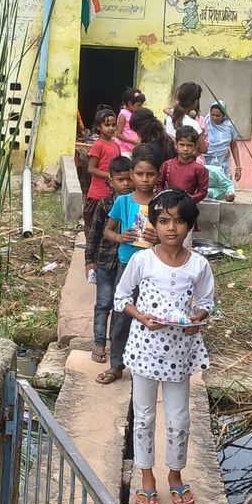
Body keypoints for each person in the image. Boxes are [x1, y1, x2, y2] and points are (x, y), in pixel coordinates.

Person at [114, 189, 214, 504]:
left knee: (179, 418)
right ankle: (147, 477)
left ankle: (175, 474)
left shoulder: (198, 265)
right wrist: (141, 317)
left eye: (180, 221)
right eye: (164, 221)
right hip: (145, 349)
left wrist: (197, 318)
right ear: (153, 224)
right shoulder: (142, 260)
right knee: (143, 416)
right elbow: (121, 298)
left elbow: (206, 302)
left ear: (191, 225)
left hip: (179, 354)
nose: (172, 228)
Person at [98, 146, 160, 386]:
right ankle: (116, 365)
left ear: (157, 176)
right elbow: (107, 230)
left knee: (151, 315)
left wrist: (159, 238)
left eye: (150, 174)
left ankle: (146, 364)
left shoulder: (161, 202)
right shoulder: (123, 201)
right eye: (140, 174)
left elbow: (172, 231)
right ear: (132, 174)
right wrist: (120, 237)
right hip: (127, 266)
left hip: (154, 268)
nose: (145, 179)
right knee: (122, 315)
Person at [85, 156, 134, 365]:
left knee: (120, 305)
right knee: (103, 303)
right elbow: (94, 233)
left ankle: (116, 346)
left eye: (128, 179)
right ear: (111, 181)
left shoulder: (136, 204)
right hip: (105, 261)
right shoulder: (105, 204)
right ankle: (99, 343)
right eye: (120, 180)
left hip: (127, 264)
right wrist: (89, 260)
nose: (125, 184)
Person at [83, 106, 121, 238]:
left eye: (113, 125)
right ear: (99, 127)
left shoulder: (116, 145)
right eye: (107, 125)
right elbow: (91, 168)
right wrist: (109, 176)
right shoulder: (98, 145)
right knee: (93, 228)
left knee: (108, 228)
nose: (111, 128)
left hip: (112, 195)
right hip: (97, 194)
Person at [157, 126, 208, 204]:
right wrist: (163, 198)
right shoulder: (167, 165)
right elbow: (159, 185)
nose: (185, 149)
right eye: (182, 144)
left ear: (195, 147)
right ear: (176, 145)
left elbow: (203, 191)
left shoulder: (199, 169)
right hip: (168, 204)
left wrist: (189, 198)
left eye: (189, 145)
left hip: (187, 206)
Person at [164, 82, 208, 155]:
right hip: (184, 159)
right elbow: (203, 149)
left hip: (167, 156)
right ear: (196, 102)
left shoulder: (169, 114)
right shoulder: (193, 124)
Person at [205, 100, 241, 186]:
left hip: (223, 163)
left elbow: (234, 146)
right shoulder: (205, 124)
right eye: (212, 115)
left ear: (224, 115)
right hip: (206, 162)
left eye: (218, 115)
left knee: (225, 187)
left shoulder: (229, 126)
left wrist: (238, 167)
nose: (214, 118)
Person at [115, 88, 146, 155]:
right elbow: (118, 134)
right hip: (124, 149)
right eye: (139, 105)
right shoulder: (123, 115)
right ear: (129, 104)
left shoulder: (135, 114)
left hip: (133, 148)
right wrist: (134, 142)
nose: (141, 107)